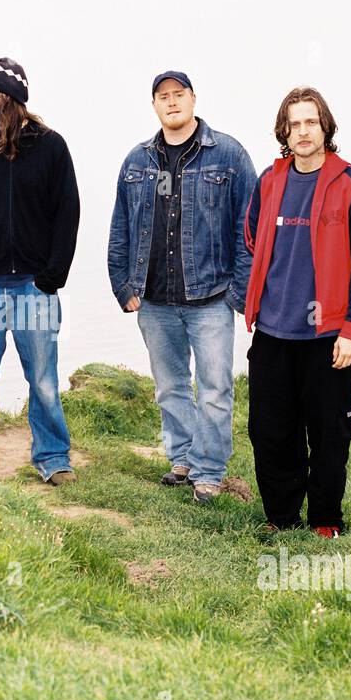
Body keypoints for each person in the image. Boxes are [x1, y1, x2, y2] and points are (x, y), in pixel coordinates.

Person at [108, 70, 256, 502]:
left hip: (210, 298)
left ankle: (210, 472)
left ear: (193, 99)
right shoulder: (138, 161)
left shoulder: (228, 155)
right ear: (154, 105)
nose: (171, 102)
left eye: (178, 95)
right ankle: (184, 458)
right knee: (170, 386)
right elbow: (121, 228)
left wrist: (237, 292)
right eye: (162, 97)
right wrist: (123, 284)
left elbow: (249, 228)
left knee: (214, 389)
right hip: (154, 298)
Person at [244, 86, 351, 536]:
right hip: (272, 331)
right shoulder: (269, 180)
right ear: (284, 130)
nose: (303, 131)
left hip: (328, 336)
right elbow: (251, 235)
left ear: (325, 128)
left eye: (311, 122)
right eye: (294, 123)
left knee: (328, 435)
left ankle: (325, 518)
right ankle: (281, 518)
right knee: (270, 431)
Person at [0, 58, 80, 484]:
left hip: (34, 288)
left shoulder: (51, 146)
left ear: (8, 94)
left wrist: (52, 276)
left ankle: (53, 459)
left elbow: (67, 214)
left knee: (42, 380)